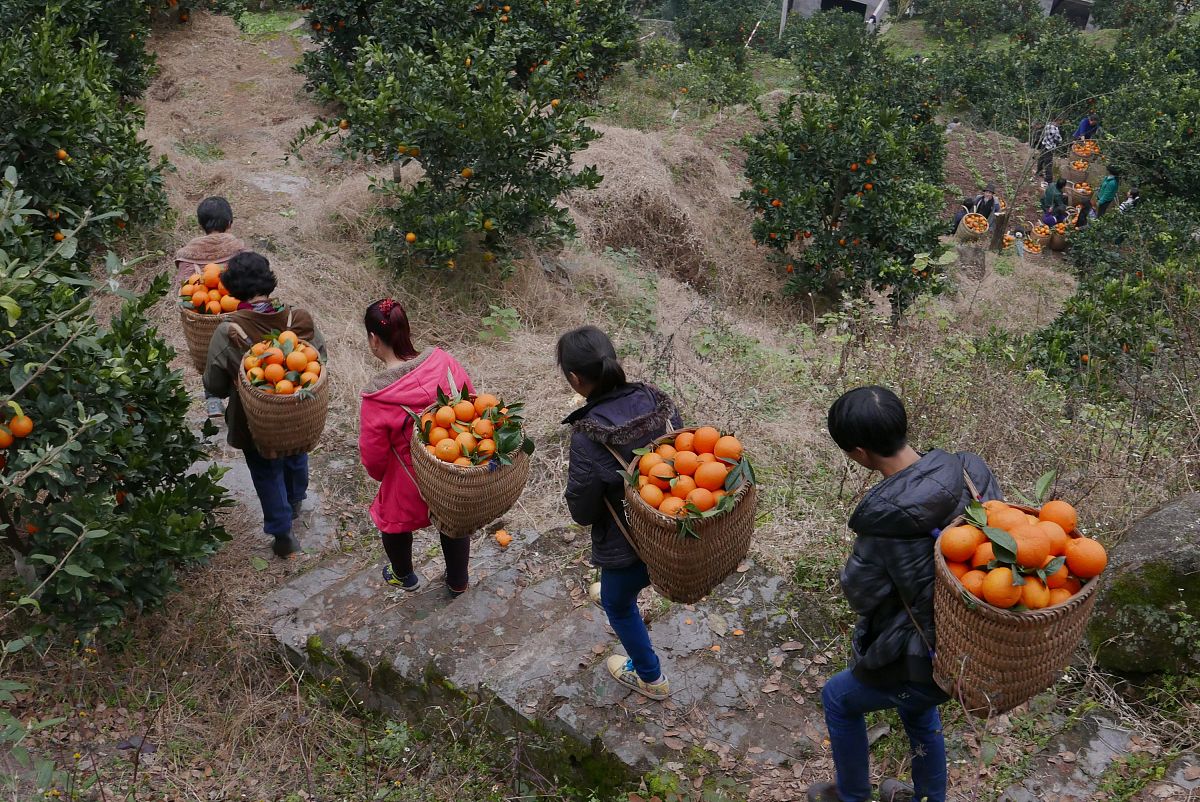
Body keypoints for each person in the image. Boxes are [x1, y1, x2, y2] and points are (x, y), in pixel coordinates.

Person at [806, 386, 1003, 802]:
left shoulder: (882, 521)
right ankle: (930, 796)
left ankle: (852, 796)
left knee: (839, 698)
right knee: (917, 709)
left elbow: (860, 595)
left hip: (927, 655)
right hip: (978, 642)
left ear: (859, 453)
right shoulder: (970, 471)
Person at [559, 326, 681, 700]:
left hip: (631, 542)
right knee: (623, 583)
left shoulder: (588, 436)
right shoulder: (655, 399)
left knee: (616, 601)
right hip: (676, 523)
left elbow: (582, 509)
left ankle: (650, 677)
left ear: (576, 379)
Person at [203, 253, 327, 558]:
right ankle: (296, 499)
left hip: (252, 417)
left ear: (231, 288)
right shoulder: (297, 319)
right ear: (269, 281)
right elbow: (320, 359)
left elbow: (214, 384)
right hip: (298, 409)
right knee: (296, 454)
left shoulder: (228, 330)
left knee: (264, 469)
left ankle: (282, 529)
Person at [358, 298, 474, 596]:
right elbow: (471, 401)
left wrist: (384, 474)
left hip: (407, 476)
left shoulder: (379, 396)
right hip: (452, 462)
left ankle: (403, 575)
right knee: (453, 519)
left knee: (391, 520)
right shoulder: (443, 361)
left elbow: (373, 456)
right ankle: (458, 581)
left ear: (373, 339)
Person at [176, 197, 246, 419]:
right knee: (241, 355)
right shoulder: (239, 249)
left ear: (201, 224)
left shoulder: (188, 254)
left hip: (204, 312)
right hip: (236, 310)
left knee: (209, 354)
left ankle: (213, 399)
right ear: (230, 223)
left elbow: (185, 286)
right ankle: (240, 398)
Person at [1036, 118, 1062, 184]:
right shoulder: (1055, 128)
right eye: (1060, 121)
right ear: (1058, 120)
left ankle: (1039, 172)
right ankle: (1048, 180)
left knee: (1041, 158)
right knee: (1048, 164)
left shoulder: (1047, 125)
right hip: (1049, 147)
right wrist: (1060, 140)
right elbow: (1058, 139)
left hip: (1044, 144)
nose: (1060, 123)